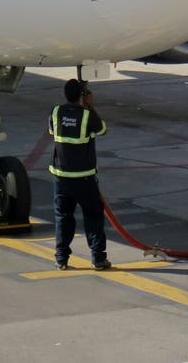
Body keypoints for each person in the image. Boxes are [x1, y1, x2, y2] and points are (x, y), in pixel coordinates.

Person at [48, 78, 111, 271]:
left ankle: (61, 259)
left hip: (61, 177)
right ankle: (98, 258)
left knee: (63, 217)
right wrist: (91, 106)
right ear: (82, 96)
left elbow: (52, 130)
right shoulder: (86, 116)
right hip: (84, 178)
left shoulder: (56, 112)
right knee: (93, 216)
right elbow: (102, 130)